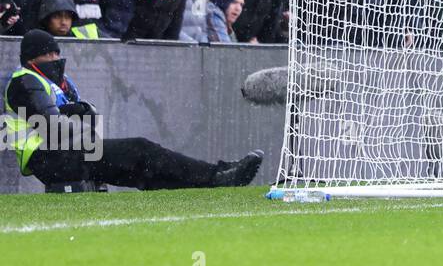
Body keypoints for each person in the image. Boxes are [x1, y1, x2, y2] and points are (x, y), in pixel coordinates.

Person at [3, 29, 262, 191]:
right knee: (140, 149)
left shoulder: (49, 82)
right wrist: (78, 116)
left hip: (66, 154)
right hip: (48, 159)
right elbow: (53, 127)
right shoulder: (24, 80)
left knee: (142, 170)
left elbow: (83, 118)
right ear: (31, 58)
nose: (55, 59)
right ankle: (217, 175)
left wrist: (78, 113)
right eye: (48, 55)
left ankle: (214, 182)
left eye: (57, 53)